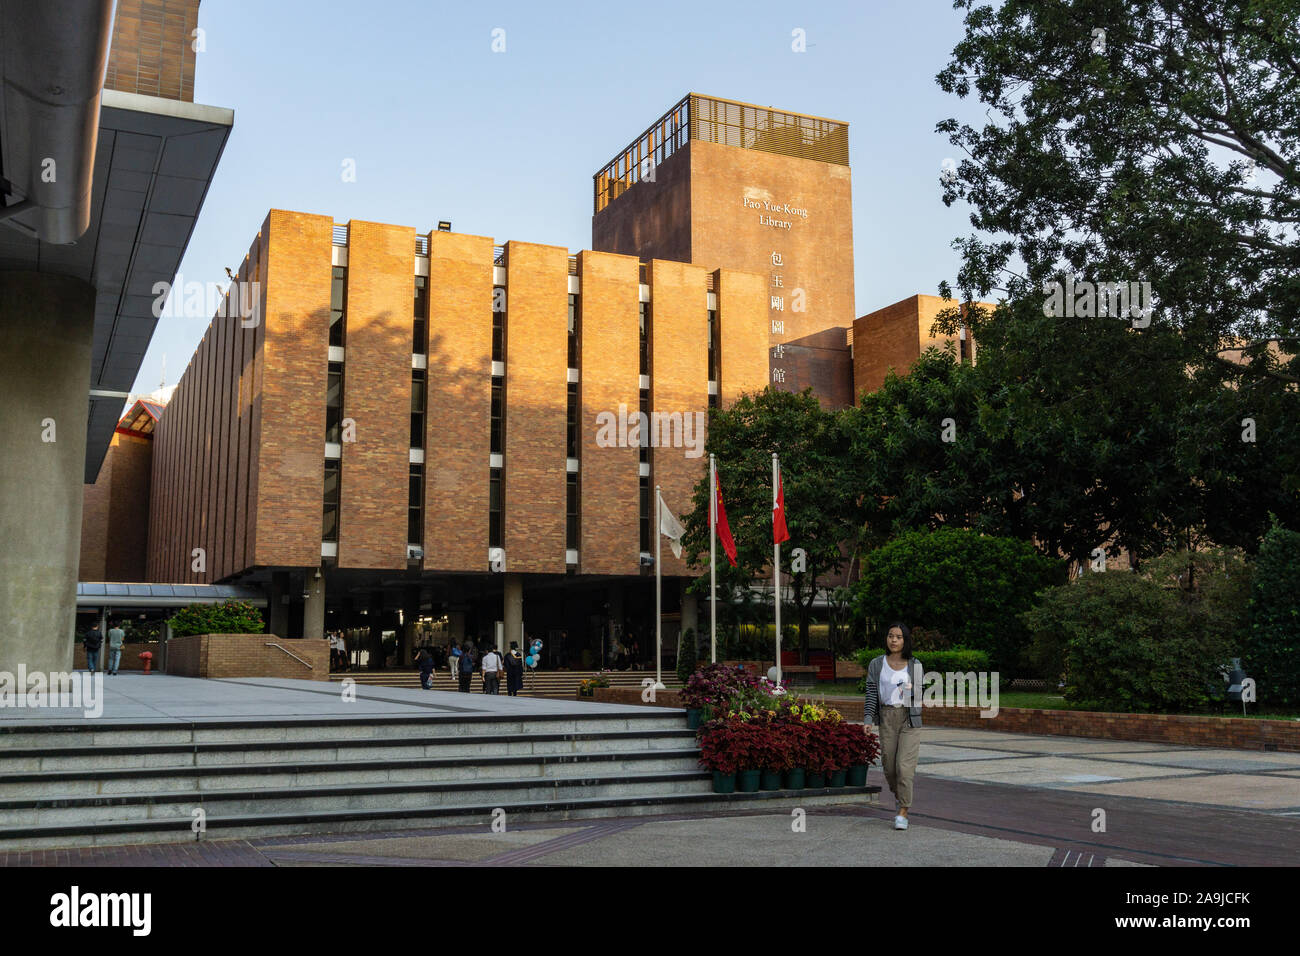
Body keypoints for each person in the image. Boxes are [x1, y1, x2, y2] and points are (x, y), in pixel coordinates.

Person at [863, 622, 923, 831]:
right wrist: (868, 719)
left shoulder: (914, 664)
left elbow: (919, 695)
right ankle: (900, 797)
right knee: (889, 768)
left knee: (904, 768)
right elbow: (871, 692)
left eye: (898, 637)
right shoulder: (877, 664)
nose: (894, 640)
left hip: (908, 719)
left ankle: (903, 812)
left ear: (905, 641)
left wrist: (909, 691)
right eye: (891, 636)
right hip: (887, 717)